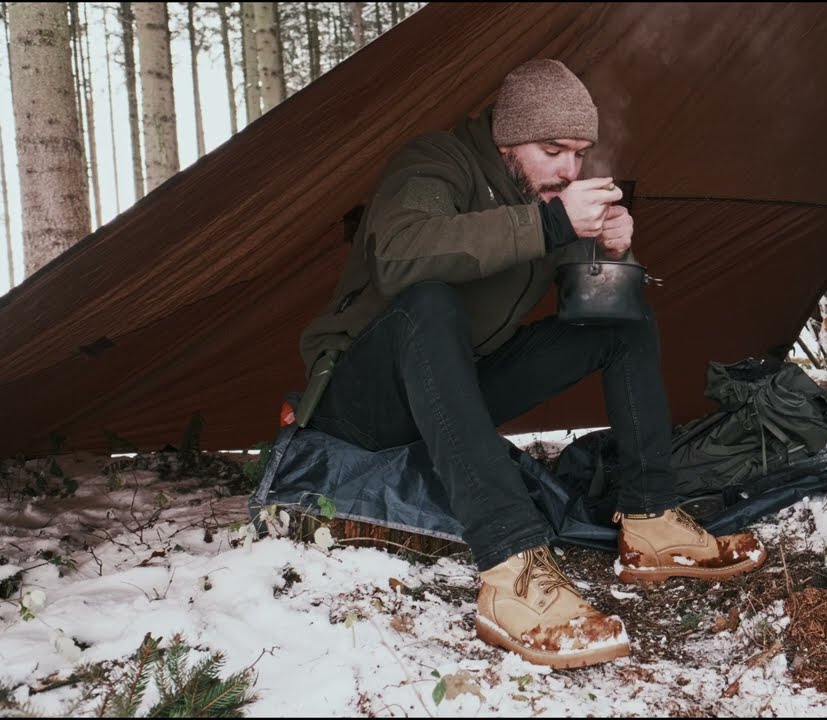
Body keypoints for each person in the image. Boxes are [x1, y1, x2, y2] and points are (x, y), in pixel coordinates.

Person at [296, 59, 767, 669]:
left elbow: (592, 300)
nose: (570, 169)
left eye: (578, 153)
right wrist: (551, 222)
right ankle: (509, 566)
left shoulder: (549, 196)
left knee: (619, 320)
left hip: (455, 388)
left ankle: (651, 520)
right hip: (362, 400)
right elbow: (401, 253)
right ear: (507, 137)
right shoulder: (436, 161)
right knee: (429, 300)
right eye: (553, 150)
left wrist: (612, 249)